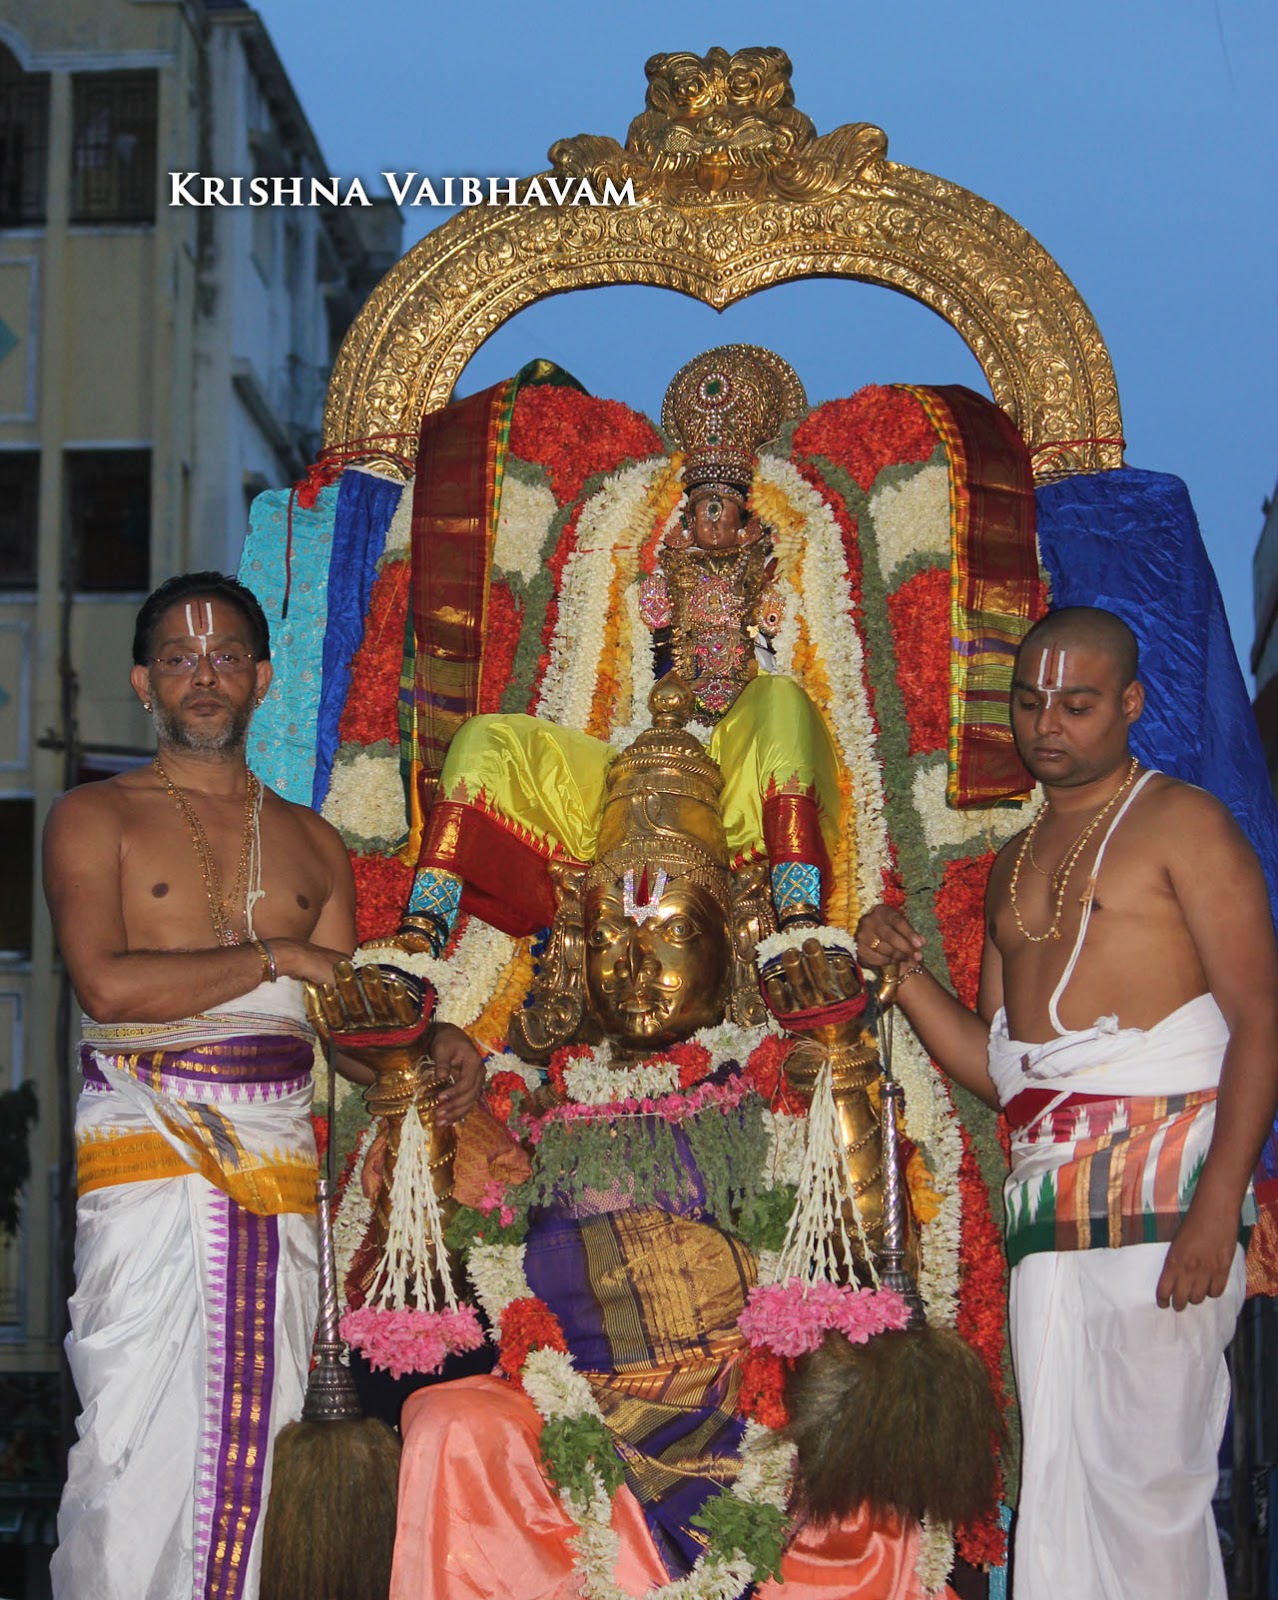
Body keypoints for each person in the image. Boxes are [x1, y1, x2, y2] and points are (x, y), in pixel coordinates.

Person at [43, 571, 482, 1600]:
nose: (206, 674)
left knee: (277, 1431)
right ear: (144, 681)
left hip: (279, 1177)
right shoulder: (89, 814)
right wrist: (278, 955)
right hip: (147, 1170)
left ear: (262, 679)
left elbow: (354, 1034)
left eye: (227, 656)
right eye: (184, 659)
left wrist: (429, 1049)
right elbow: (105, 982)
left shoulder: (313, 842)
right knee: (128, 1449)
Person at [855, 605, 1278, 1600]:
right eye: (1030, 700)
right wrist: (902, 974)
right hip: (1051, 1215)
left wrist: (1221, 1209)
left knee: (1148, 1490)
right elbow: (1008, 1072)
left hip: (1171, 1197)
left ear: (1130, 704)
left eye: (1078, 703)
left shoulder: (1186, 823)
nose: (1048, 723)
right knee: (1059, 1485)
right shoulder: (1015, 860)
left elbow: (1260, 1019)